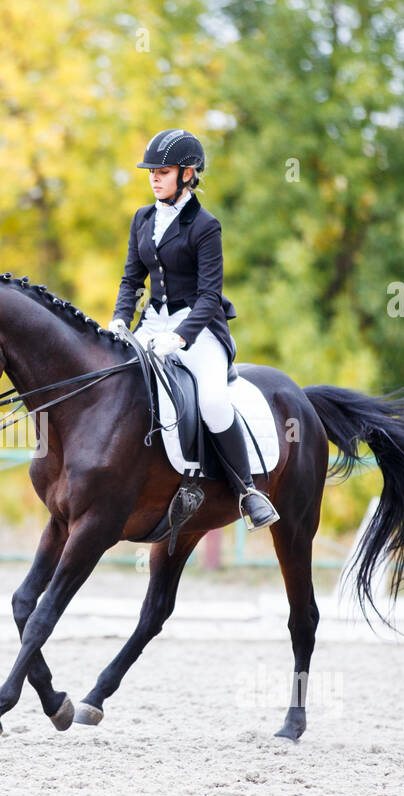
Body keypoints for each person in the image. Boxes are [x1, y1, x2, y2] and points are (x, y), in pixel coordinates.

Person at [110, 128, 279, 531]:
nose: (154, 178)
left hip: (199, 329)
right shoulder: (142, 218)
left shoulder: (205, 225)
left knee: (214, 404)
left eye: (163, 172)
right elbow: (131, 280)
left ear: (187, 174)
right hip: (152, 323)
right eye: (152, 172)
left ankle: (247, 491)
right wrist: (119, 318)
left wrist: (181, 335)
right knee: (117, 385)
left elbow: (209, 295)